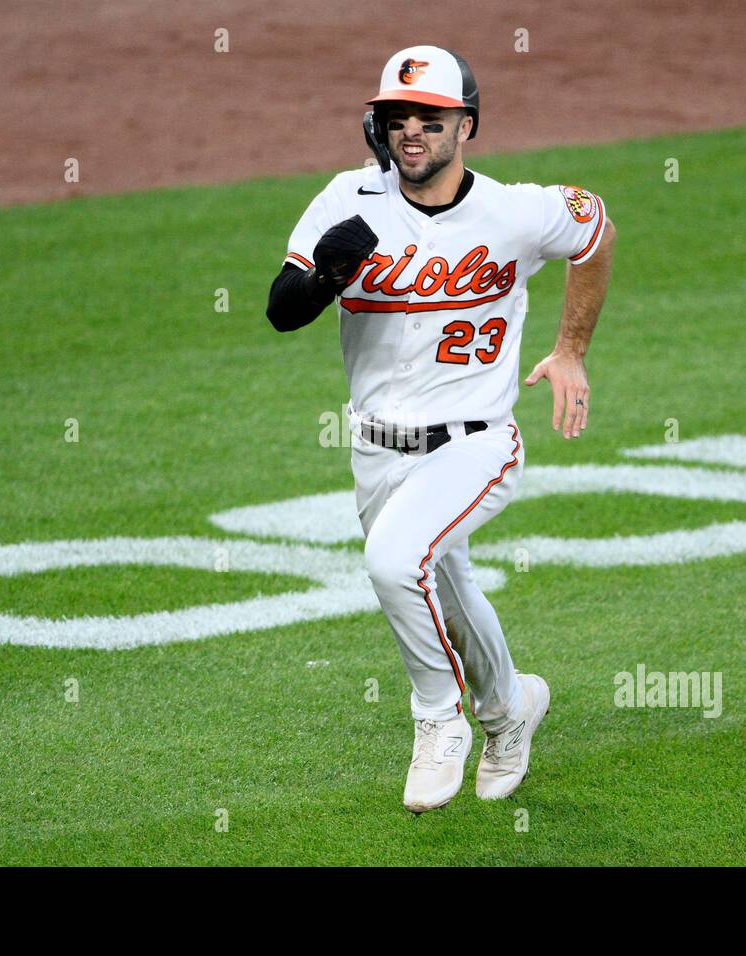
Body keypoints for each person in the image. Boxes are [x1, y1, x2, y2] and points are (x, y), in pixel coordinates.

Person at [266, 45, 616, 812]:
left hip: (478, 440)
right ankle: (509, 710)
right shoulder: (346, 198)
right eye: (398, 118)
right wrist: (325, 277)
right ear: (377, 124)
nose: (412, 132)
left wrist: (570, 352)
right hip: (374, 449)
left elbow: (593, 229)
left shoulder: (514, 210)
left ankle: (438, 721)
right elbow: (280, 309)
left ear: (468, 124)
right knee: (449, 595)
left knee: (395, 563)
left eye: (431, 118)